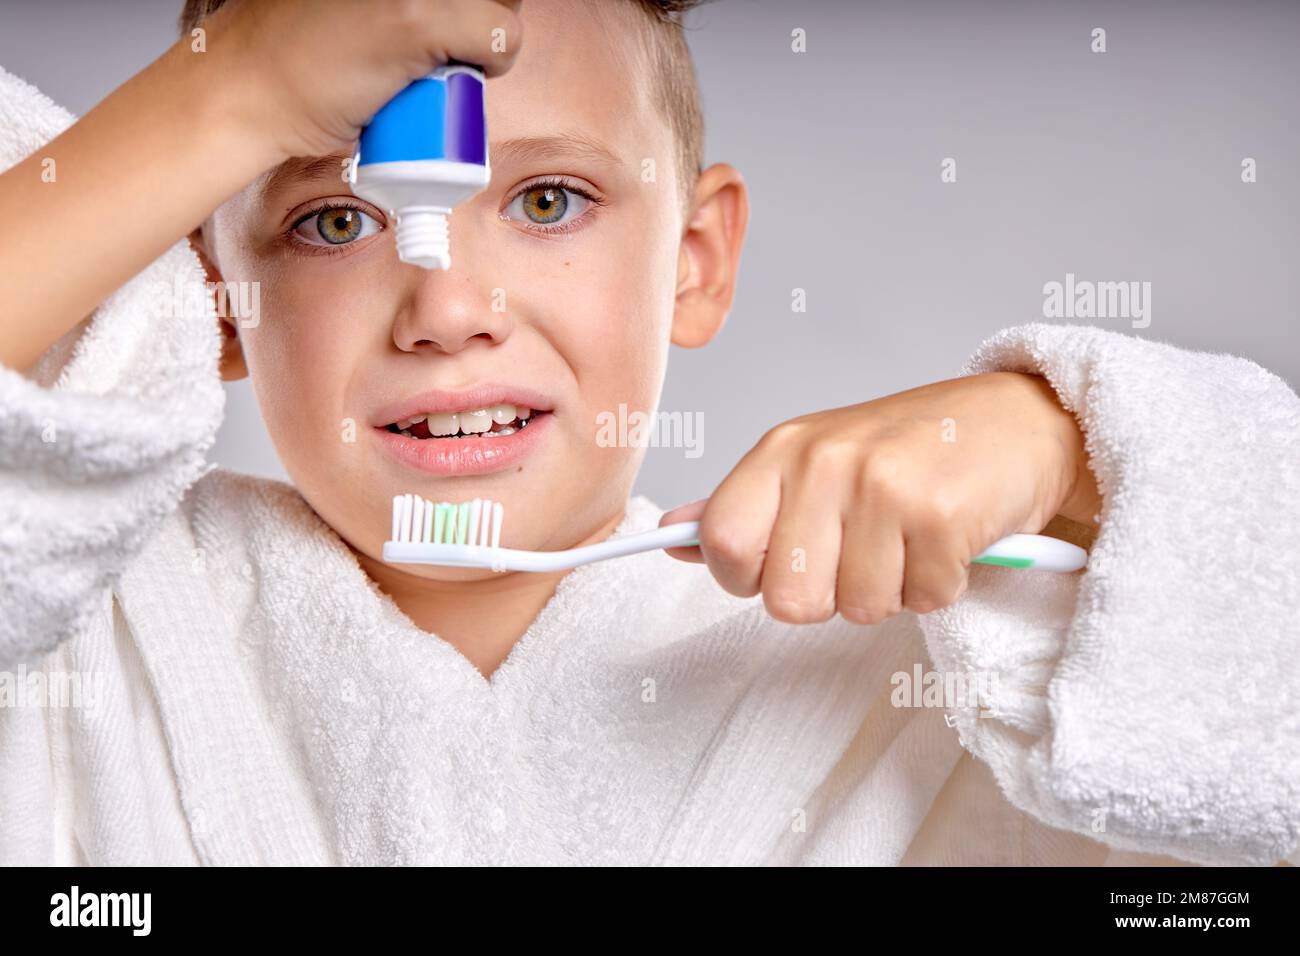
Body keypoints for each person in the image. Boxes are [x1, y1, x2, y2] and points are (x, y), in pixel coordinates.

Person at [0, 0, 1295, 865]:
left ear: (695, 262)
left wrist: (1067, 449)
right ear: (205, 297)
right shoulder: (82, 625)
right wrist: (223, 97)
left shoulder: (925, 664)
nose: (448, 308)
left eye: (552, 199)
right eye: (333, 223)